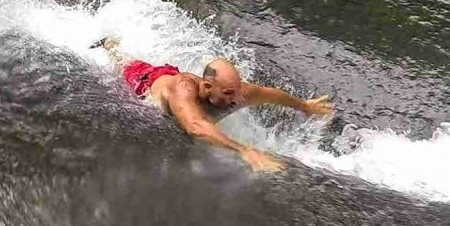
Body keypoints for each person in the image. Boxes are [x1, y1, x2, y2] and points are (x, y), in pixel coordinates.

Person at [92, 37, 333, 173]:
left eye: (237, 92)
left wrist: (304, 106)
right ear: (207, 88)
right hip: (143, 80)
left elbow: (268, 94)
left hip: (171, 74)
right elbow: (195, 126)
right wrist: (243, 150)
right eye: (229, 93)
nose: (237, 100)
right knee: (122, 63)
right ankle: (110, 45)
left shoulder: (234, 91)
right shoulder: (183, 92)